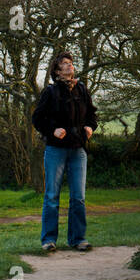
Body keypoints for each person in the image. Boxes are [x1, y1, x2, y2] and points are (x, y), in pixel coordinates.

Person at [32, 51, 98, 252]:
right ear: (57, 71)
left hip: (78, 150)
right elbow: (37, 119)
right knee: (52, 196)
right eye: (65, 64)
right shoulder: (50, 92)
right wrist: (53, 130)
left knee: (78, 196)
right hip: (56, 150)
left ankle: (78, 239)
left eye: (71, 63)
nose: (70, 66)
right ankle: (49, 240)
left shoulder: (81, 89)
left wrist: (90, 128)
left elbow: (92, 114)